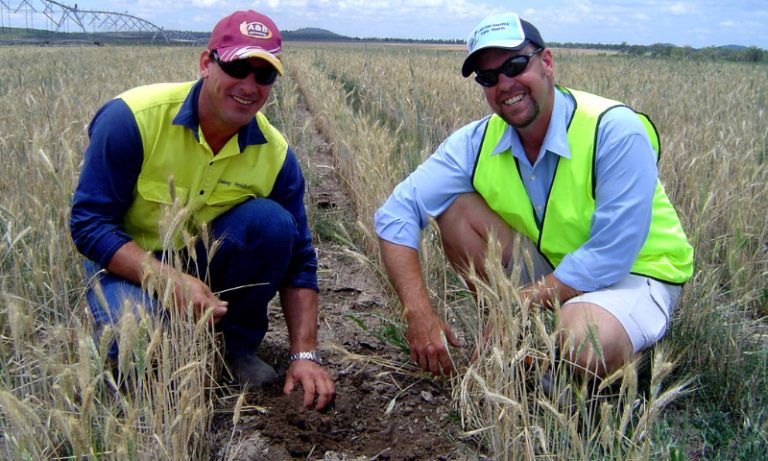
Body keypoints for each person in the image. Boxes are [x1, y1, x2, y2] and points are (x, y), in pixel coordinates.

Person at [374, 12, 694, 380]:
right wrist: (418, 312)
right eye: (489, 77)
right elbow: (395, 213)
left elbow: (611, 257)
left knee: (584, 342)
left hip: (637, 273)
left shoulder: (614, 129)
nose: (505, 84)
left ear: (547, 62)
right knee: (455, 212)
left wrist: (514, 304)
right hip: (558, 266)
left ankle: (617, 355)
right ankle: (523, 346)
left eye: (515, 65)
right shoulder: (477, 142)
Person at [70, 10, 335, 410]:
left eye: (264, 75)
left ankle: (236, 348)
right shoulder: (132, 119)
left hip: (204, 259)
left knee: (272, 225)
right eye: (237, 67)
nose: (249, 86)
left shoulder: (276, 154)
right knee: (138, 348)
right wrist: (167, 280)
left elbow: (299, 257)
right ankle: (141, 331)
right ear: (206, 62)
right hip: (129, 261)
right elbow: (89, 224)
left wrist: (305, 354)